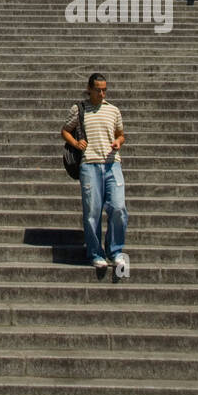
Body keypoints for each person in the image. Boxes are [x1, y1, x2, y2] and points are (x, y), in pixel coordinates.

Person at [61, 73, 127, 273]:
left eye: (104, 89)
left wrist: (118, 142)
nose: (102, 93)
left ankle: (115, 251)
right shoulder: (79, 109)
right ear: (89, 89)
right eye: (98, 89)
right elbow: (65, 130)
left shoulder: (113, 110)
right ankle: (96, 253)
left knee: (118, 207)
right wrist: (75, 142)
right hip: (89, 164)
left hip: (111, 163)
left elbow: (121, 134)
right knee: (92, 212)